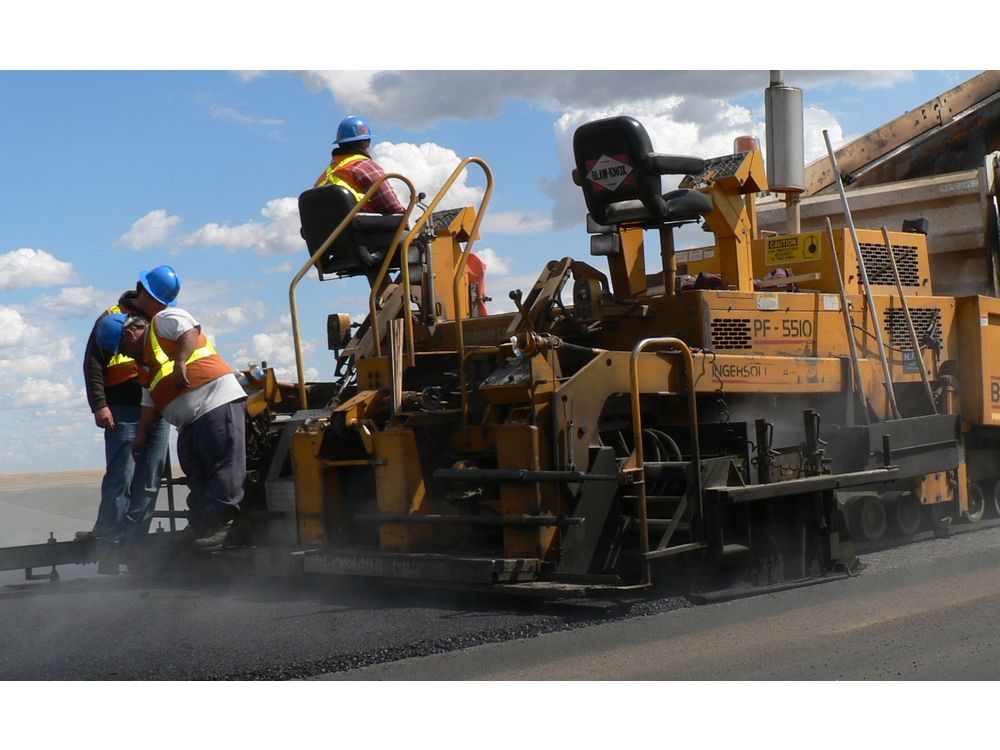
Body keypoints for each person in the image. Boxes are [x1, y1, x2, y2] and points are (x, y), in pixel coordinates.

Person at [96, 281, 248, 553]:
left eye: (123, 348)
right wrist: (142, 434)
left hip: (215, 403)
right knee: (196, 470)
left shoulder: (163, 321)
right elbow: (148, 400)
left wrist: (180, 362)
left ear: (130, 333)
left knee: (221, 465)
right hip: (190, 421)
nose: (125, 355)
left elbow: (189, 329)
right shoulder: (143, 363)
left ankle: (224, 523)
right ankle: (201, 523)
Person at [82, 267, 175, 573]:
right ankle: (108, 547)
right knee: (121, 478)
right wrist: (100, 405)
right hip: (121, 409)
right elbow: (93, 363)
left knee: (149, 481)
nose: (162, 307)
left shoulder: (160, 319)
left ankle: (134, 547)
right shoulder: (110, 318)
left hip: (157, 408)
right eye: (158, 300)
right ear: (144, 294)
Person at [314, 115, 406, 214]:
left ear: (340, 144)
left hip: (330, 229)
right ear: (366, 143)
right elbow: (391, 206)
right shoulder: (364, 166)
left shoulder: (324, 177)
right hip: (363, 228)